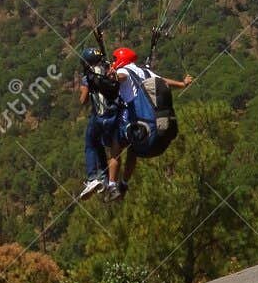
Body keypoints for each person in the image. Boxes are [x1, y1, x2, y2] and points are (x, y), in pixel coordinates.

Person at [105, 46, 192, 200]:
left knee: (116, 144)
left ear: (121, 60)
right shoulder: (146, 72)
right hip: (156, 137)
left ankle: (112, 185)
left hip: (141, 127)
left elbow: (121, 77)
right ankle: (124, 183)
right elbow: (163, 82)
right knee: (133, 148)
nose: (113, 62)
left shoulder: (124, 70)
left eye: (114, 59)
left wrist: (113, 77)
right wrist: (182, 84)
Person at [77, 47, 121, 201]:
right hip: (115, 116)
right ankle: (104, 178)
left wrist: (85, 90)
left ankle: (92, 178)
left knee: (90, 143)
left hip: (100, 117)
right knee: (101, 144)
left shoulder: (87, 76)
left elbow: (83, 100)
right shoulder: (108, 69)